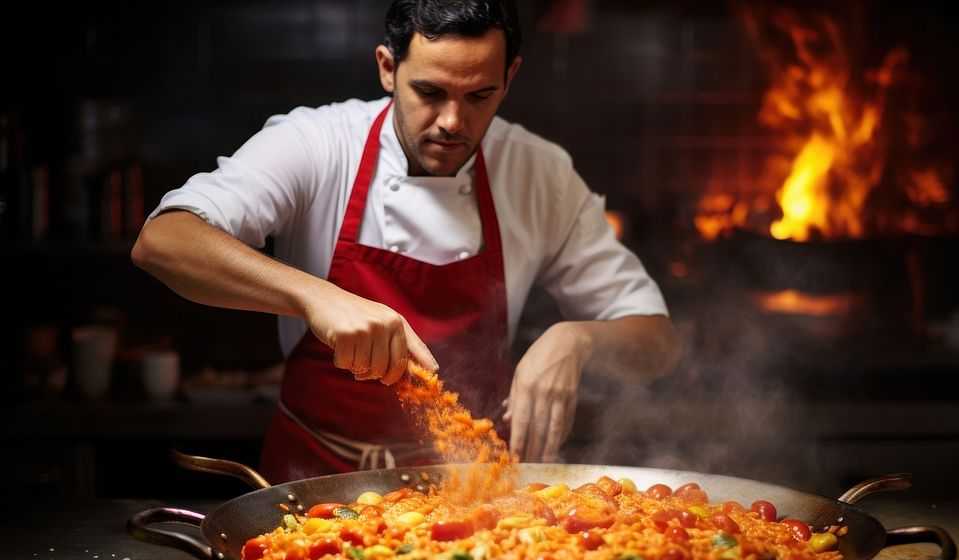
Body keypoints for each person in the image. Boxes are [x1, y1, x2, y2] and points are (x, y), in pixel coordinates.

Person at [131, 0, 681, 482]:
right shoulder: (316, 145)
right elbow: (164, 240)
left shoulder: (540, 174)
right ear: (388, 68)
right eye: (430, 91)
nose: (452, 121)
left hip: (472, 496)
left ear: (510, 77)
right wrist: (318, 296)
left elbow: (658, 343)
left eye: (480, 95)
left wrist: (578, 339)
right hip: (311, 485)